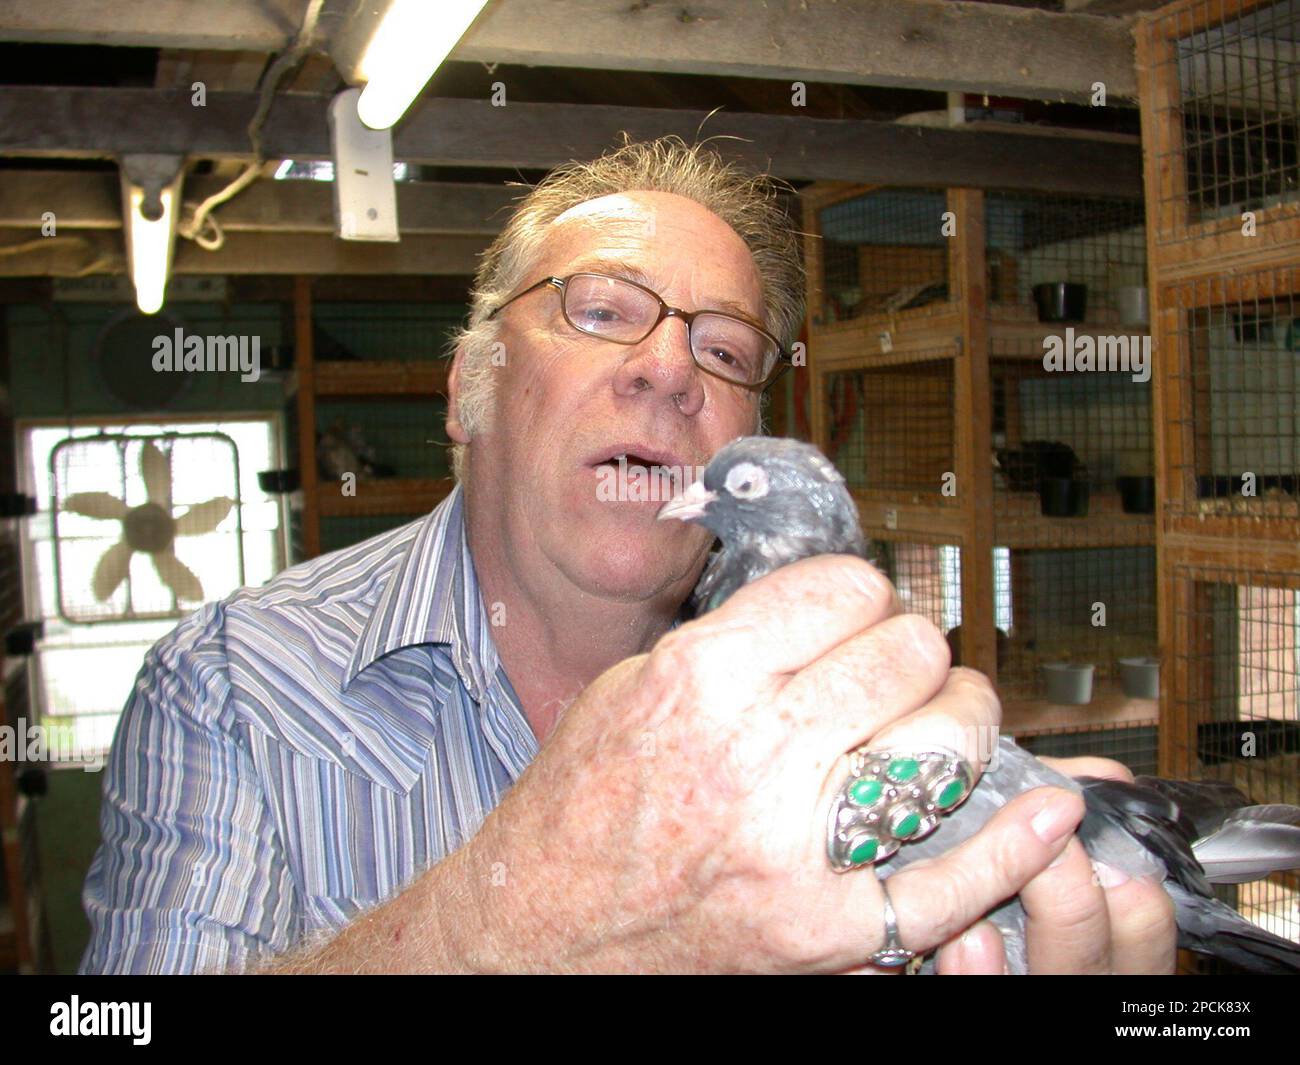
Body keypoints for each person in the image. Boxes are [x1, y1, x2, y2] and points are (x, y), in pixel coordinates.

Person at [80, 136, 1175, 974]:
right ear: (469, 388)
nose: (668, 370)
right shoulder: (233, 686)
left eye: (724, 347)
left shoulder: (844, 692)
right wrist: (510, 928)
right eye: (601, 311)